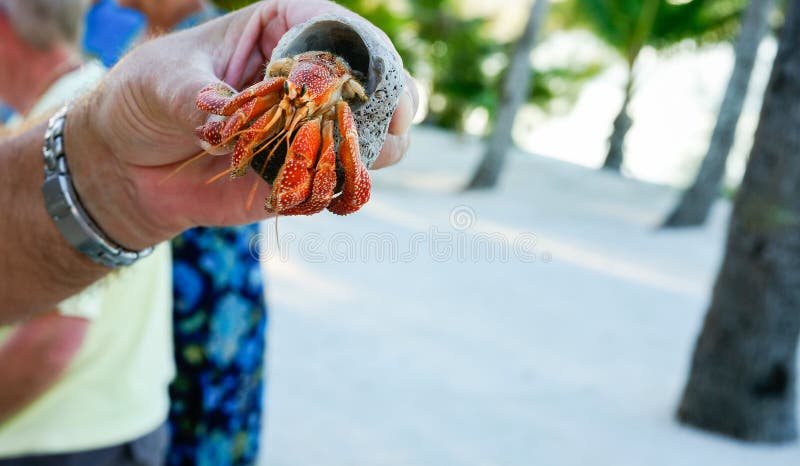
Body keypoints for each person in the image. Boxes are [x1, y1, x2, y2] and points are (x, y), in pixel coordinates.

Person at [0, 0, 416, 320]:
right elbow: (235, 105)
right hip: (290, 92)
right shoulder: (276, 78)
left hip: (325, 107)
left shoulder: (337, 101)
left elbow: (351, 185)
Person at [0, 1, 174, 465]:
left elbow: (52, 340)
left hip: (65, 444)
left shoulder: (65, 125)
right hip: (108, 429)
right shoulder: (92, 99)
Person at [114, 1, 268, 464]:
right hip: (150, 259)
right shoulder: (138, 37)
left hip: (211, 273)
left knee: (206, 408)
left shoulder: (227, 42)